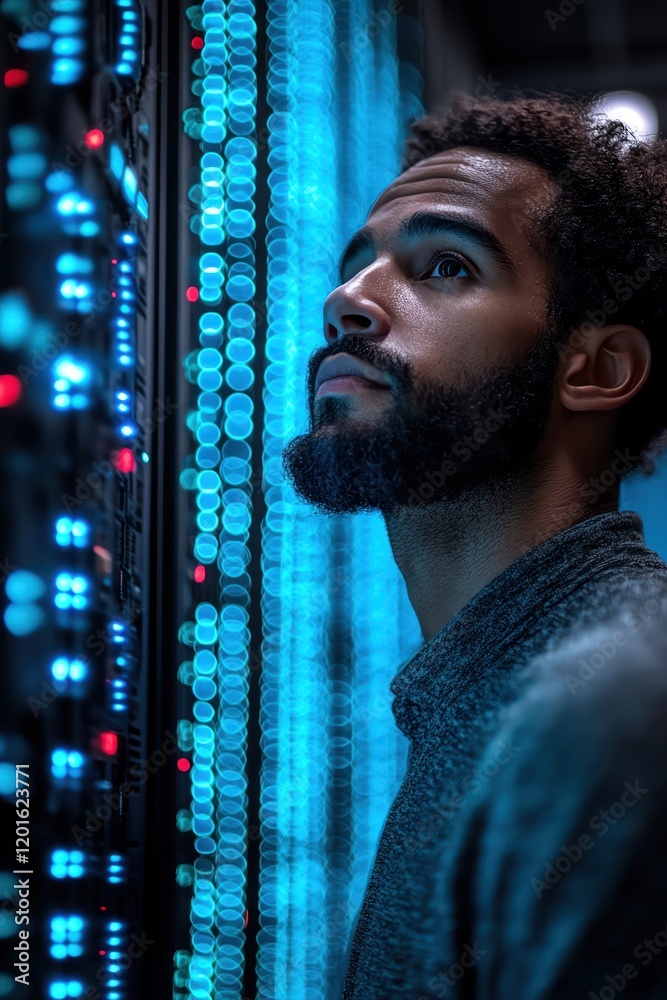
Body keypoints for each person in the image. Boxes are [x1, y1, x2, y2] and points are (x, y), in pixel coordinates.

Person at [282, 93, 667, 998]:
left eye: (445, 266)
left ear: (595, 369)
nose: (347, 301)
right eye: (358, 266)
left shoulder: (611, 700)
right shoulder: (504, 686)